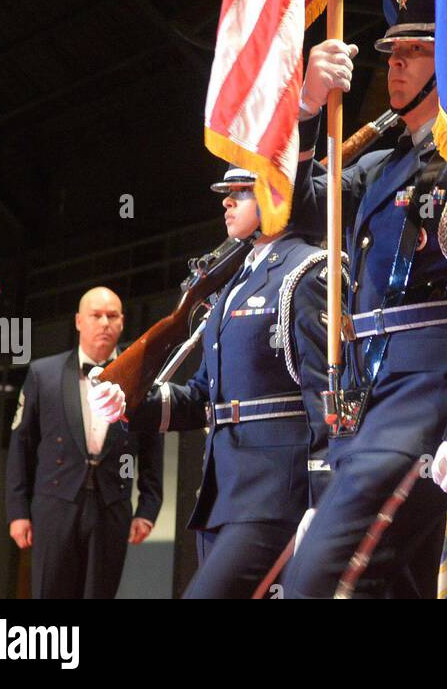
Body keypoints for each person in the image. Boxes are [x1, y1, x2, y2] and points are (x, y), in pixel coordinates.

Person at [280, 0, 447, 599]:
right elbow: (295, 210)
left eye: (414, 51)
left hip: (432, 400)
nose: (394, 64)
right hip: (372, 400)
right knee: (396, 585)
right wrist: (307, 109)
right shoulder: (386, 164)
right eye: (391, 53)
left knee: (319, 580)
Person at [90, 167, 330, 598]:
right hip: (222, 494)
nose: (226, 201)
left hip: (276, 492)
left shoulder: (307, 271)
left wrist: (326, 493)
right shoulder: (236, 281)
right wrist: (131, 400)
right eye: (227, 193)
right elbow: (203, 396)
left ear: (276, 196)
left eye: (242, 192)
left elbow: (325, 391)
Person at [5, 287, 162, 598]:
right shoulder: (43, 374)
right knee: (50, 591)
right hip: (55, 501)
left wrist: (148, 507)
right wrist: (17, 510)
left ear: (122, 322)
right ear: (78, 321)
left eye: (112, 316)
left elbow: (151, 447)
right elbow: (21, 445)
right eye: (96, 315)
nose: (104, 322)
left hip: (112, 503)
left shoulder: (141, 375)